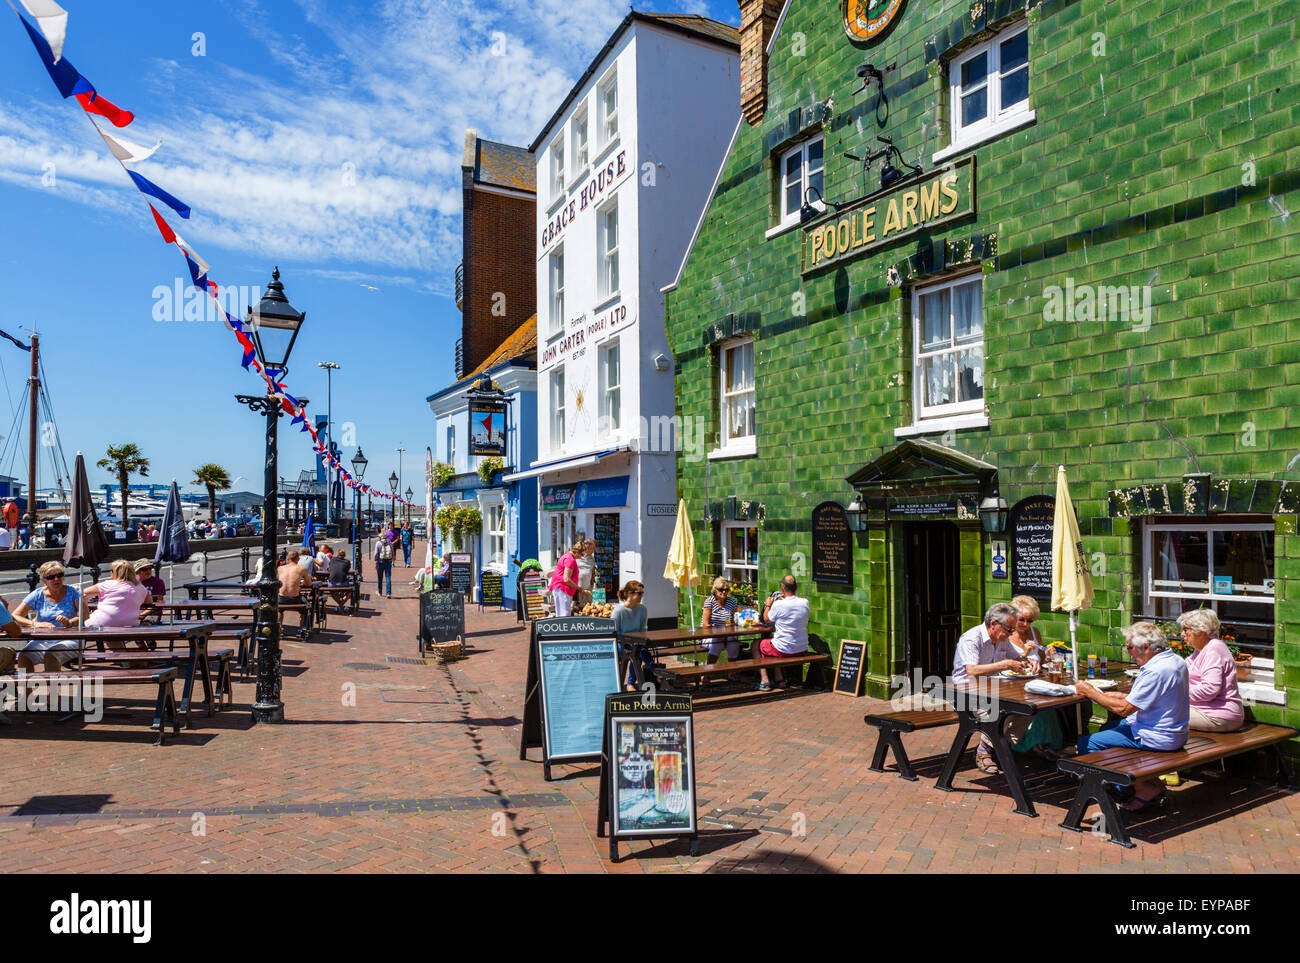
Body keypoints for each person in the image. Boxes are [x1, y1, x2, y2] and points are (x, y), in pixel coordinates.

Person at [1075, 621, 1190, 811]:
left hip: (1158, 736)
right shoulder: (1175, 661)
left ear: (1145, 647)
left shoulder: (1155, 670)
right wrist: (1117, 695)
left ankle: (1136, 787)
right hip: (1174, 731)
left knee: (1087, 744)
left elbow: (1124, 710)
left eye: (1129, 647)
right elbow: (1153, 699)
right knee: (1107, 728)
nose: (1128, 651)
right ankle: (1146, 781)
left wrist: (1090, 692)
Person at [951, 602, 1027, 773]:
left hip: (994, 691)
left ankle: (997, 746)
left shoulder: (1002, 639)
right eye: (1009, 629)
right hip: (967, 694)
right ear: (993, 624)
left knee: (1027, 711)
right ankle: (985, 751)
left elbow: (1018, 657)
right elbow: (971, 670)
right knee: (1000, 714)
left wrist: (1031, 662)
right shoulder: (971, 639)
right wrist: (1005, 664)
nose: (1011, 633)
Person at [1006, 595, 1065, 762]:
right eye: (1022, 619)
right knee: (1037, 708)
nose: (1026, 624)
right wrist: (1024, 653)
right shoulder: (1006, 635)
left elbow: (1041, 658)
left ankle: (1042, 745)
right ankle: (1028, 745)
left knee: (1050, 704)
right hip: (1011, 686)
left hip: (1034, 683)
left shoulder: (1034, 632)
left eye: (1030, 620)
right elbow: (1002, 664)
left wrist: (1047, 654)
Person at [1178, 609, 1244, 732]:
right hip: (1205, 711)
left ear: (1202, 631)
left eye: (1186, 629)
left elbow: (1209, 689)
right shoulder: (1200, 651)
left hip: (1218, 716)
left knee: (1159, 712)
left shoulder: (1213, 650)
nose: (1182, 634)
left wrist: (1177, 694)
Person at [13, 561, 82, 671]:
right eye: (51, 577)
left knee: (51, 656)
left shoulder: (72, 592)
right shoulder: (37, 594)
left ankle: (53, 688)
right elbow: (16, 615)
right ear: (43, 580)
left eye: (59, 575)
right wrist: (36, 624)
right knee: (23, 657)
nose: (56, 579)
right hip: (42, 638)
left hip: (70, 638)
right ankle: (25, 687)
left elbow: (85, 616)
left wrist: (70, 622)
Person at [756, 575, 810, 691]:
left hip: (784, 650)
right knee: (775, 644)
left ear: (783, 589)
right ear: (797, 587)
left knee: (757, 644)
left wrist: (767, 605)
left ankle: (765, 681)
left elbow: (766, 619)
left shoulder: (778, 604)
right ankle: (779, 679)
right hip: (802, 649)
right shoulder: (805, 602)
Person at [83, 560, 149, 638]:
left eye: (112, 570)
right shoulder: (141, 587)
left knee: (79, 625)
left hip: (100, 626)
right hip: (130, 625)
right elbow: (149, 601)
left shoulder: (107, 584)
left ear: (116, 572)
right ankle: (120, 650)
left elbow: (82, 594)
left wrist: (85, 613)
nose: (110, 573)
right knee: (113, 635)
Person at [613, 581, 649, 688]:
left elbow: (643, 629)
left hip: (636, 642)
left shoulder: (643, 609)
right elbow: (614, 633)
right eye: (639, 593)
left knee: (639, 651)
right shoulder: (618, 610)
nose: (641, 596)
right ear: (630, 593)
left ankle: (631, 683)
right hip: (620, 643)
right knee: (637, 652)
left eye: (642, 593)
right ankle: (656, 672)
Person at [702, 577, 740, 677]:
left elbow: (734, 621)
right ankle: (706, 673)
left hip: (727, 634)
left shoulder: (732, 602)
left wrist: (733, 625)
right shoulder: (709, 601)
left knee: (734, 643)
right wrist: (718, 633)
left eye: (726, 589)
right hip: (710, 635)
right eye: (721, 589)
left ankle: (731, 672)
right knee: (718, 641)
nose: (724, 592)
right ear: (715, 589)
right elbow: (705, 624)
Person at [277, 551, 312, 632]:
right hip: (295, 598)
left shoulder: (280, 568)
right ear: (298, 559)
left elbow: (278, 581)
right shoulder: (301, 569)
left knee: (279, 610)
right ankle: (301, 629)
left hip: (282, 598)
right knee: (306, 606)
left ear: (288, 559)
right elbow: (309, 584)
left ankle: (280, 628)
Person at [548, 541, 583, 617]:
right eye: (581, 554)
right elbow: (566, 579)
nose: (582, 556)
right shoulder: (571, 560)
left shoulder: (566, 556)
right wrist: (578, 588)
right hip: (563, 589)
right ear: (576, 552)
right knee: (565, 614)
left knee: (560, 613)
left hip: (559, 588)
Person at [575, 538, 596, 607]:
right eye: (586, 543)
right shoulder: (578, 556)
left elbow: (592, 572)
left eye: (590, 544)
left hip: (587, 588)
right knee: (576, 608)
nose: (588, 545)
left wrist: (591, 586)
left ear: (594, 547)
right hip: (576, 588)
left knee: (587, 608)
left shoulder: (592, 559)